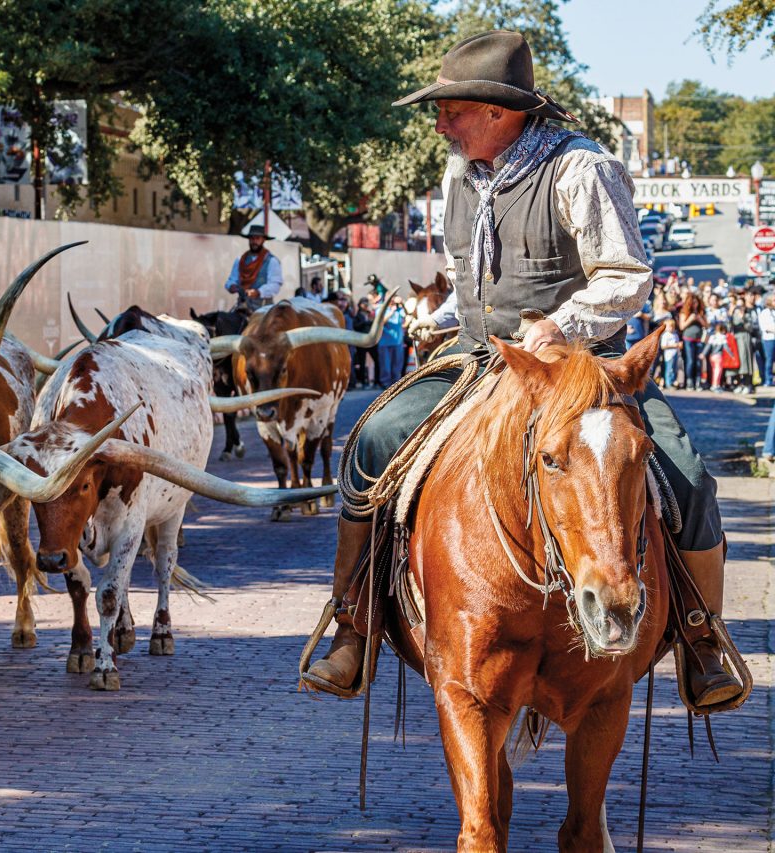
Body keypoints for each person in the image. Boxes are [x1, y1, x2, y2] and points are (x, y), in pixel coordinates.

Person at [301, 29, 742, 709]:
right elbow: (471, 272)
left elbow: (626, 277)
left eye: (452, 111)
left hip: (582, 365)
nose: (441, 124)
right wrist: (447, 311)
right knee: (371, 442)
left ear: (500, 114)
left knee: (684, 476)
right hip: (483, 356)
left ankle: (701, 636)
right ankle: (353, 622)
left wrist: (559, 326)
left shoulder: (581, 169)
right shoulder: (459, 174)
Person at [224, 225, 283, 310]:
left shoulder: (271, 261)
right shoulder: (240, 260)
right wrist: (232, 286)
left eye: (257, 238)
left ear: (263, 240)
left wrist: (259, 292)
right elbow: (232, 280)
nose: (254, 241)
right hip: (243, 305)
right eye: (252, 239)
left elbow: (275, 284)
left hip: (264, 307)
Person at [375, 293, 407, 387]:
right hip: (384, 343)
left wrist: (403, 303)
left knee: (397, 366)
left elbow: (407, 316)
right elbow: (380, 322)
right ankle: (386, 384)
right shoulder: (380, 310)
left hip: (398, 342)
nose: (392, 300)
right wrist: (391, 312)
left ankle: (396, 385)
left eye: (393, 298)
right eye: (390, 298)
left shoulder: (399, 309)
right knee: (386, 367)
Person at [758, 293, 775, 386]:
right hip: (769, 339)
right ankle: (768, 379)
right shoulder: (764, 313)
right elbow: (764, 327)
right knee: (769, 360)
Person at [661, 317, 682, 389]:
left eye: (673, 326)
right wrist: (674, 345)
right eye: (670, 326)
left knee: (674, 369)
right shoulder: (665, 335)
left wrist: (679, 346)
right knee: (669, 369)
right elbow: (663, 346)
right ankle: (668, 383)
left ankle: (673, 382)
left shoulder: (675, 335)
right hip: (669, 355)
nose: (672, 328)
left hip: (675, 354)